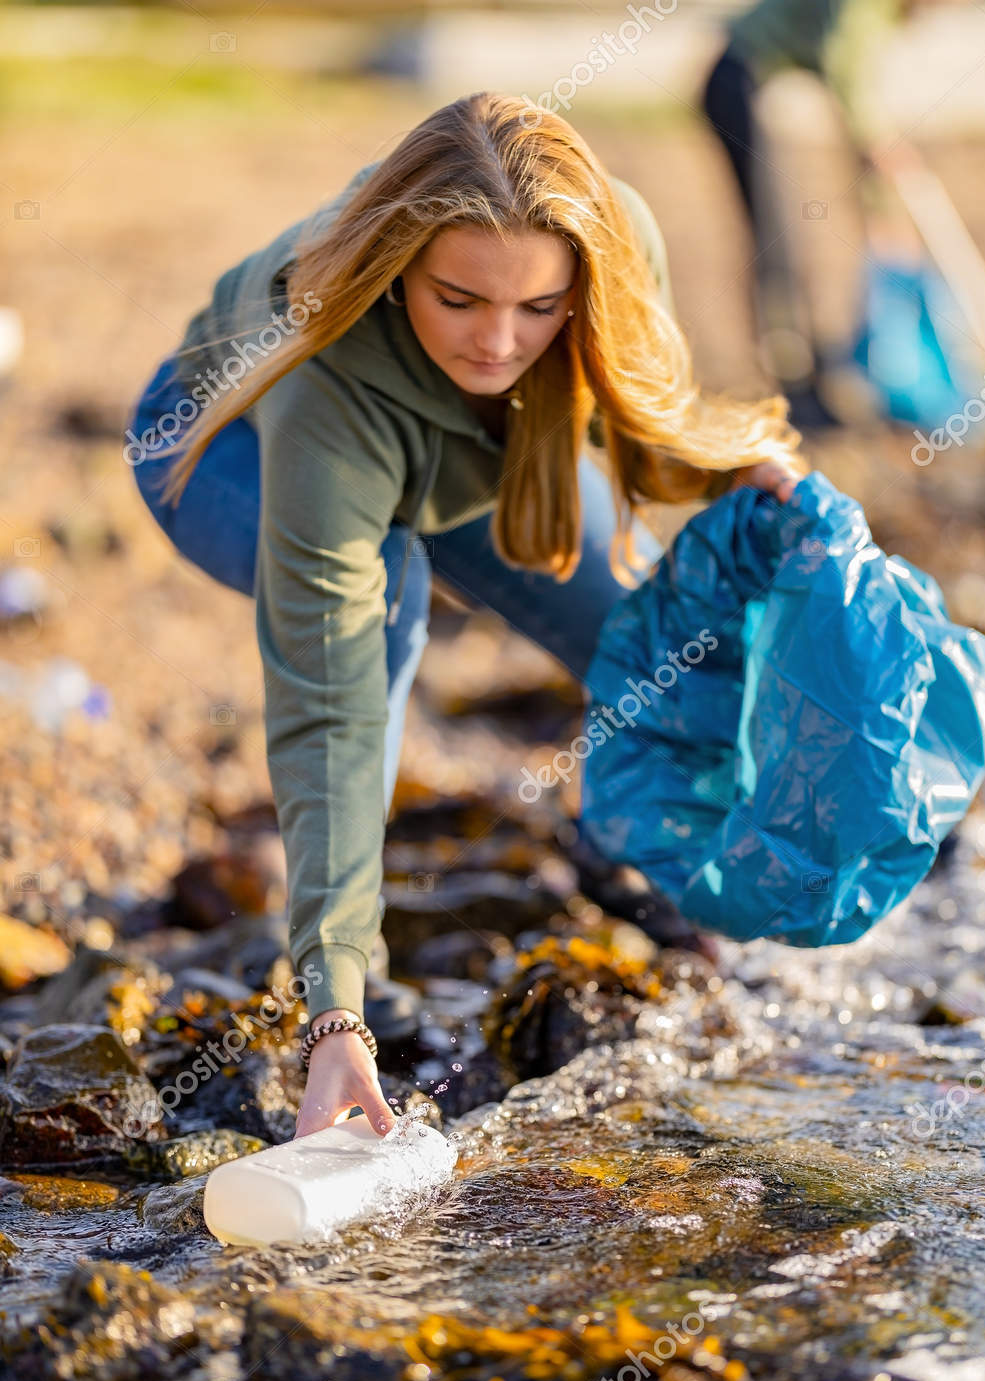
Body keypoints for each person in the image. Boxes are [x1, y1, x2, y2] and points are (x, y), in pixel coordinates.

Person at [125, 90, 803, 1143]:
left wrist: (730, 470)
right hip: (223, 441)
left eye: (539, 309)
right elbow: (330, 702)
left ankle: (644, 855)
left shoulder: (608, 240)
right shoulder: (327, 384)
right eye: (460, 299)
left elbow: (631, 405)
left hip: (470, 455)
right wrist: (333, 1008)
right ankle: (359, 972)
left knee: (662, 635)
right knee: (386, 597)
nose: (498, 343)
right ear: (404, 265)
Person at [701, 0, 909, 426]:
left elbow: (851, 76)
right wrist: (876, 140)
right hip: (735, 85)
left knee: (789, 238)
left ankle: (811, 370)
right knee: (777, 241)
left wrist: (878, 201)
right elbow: (842, 65)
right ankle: (793, 382)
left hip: (751, 86)